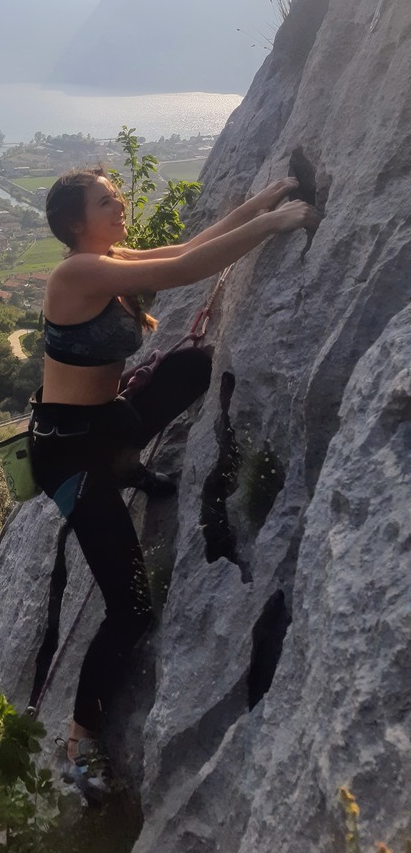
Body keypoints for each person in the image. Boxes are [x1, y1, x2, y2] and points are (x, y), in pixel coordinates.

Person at [29, 167, 320, 801]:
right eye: (106, 201)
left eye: (116, 196)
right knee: (131, 608)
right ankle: (79, 743)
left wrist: (265, 198)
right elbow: (185, 270)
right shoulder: (76, 274)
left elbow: (187, 249)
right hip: (70, 457)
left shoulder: (106, 258)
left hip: (105, 426)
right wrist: (275, 223)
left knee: (190, 365)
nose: (119, 206)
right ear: (76, 222)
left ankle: (127, 465)